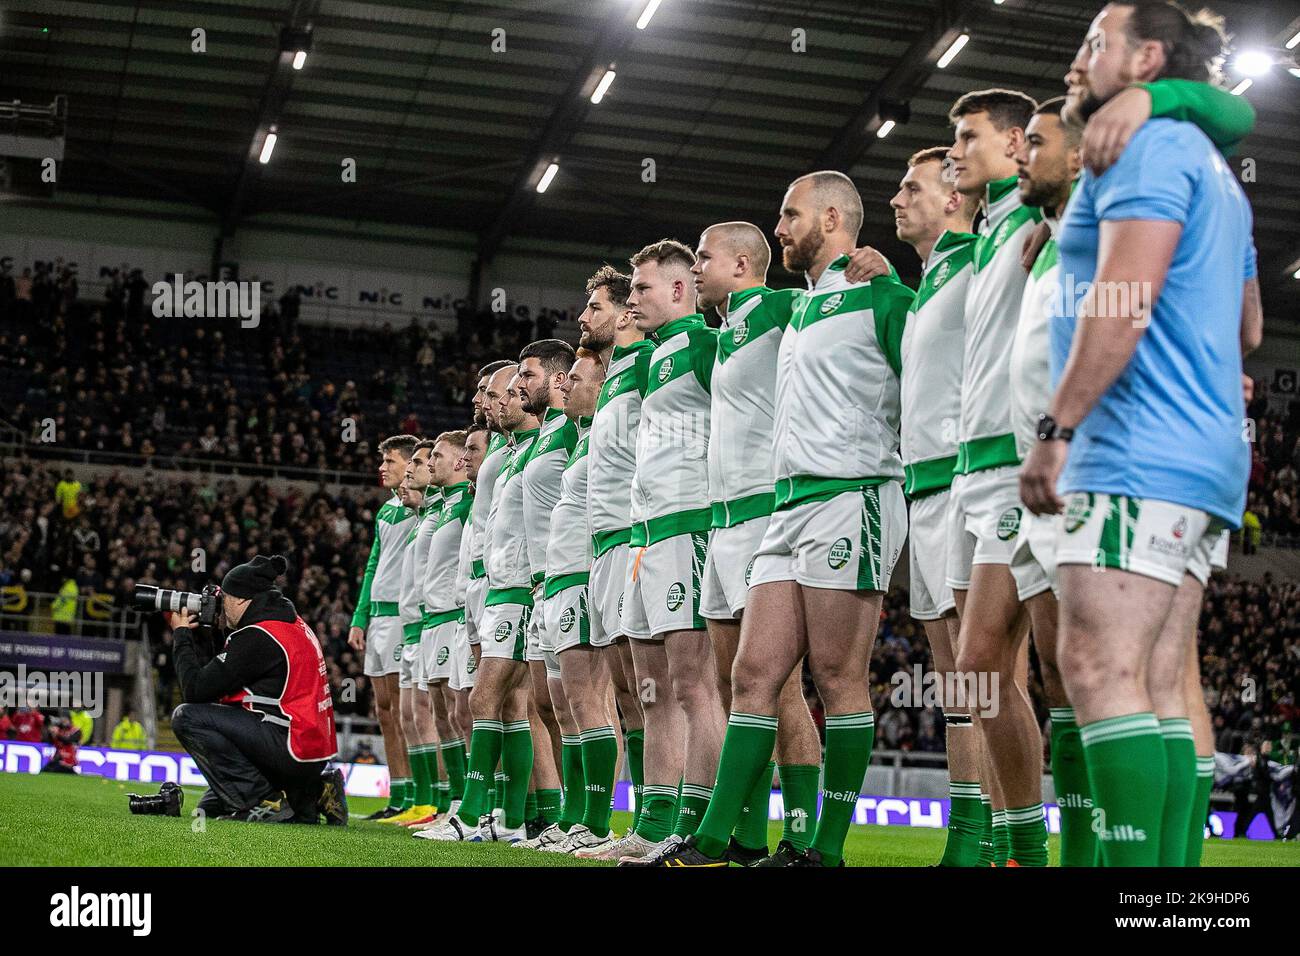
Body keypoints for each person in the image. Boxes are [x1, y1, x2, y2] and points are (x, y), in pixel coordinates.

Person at [1020, 0, 1257, 866]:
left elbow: (1125, 300)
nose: (1077, 60)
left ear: (1148, 56)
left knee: (1096, 670)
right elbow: (1249, 326)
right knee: (1156, 682)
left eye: (1095, 42)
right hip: (1199, 453)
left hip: (1135, 445)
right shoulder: (1207, 159)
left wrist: (1057, 427)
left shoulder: (1145, 145)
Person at [655, 171, 912, 867]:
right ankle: (716, 840)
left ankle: (823, 849)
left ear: (831, 218)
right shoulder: (796, 310)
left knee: (836, 677)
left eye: (790, 215)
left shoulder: (882, 297)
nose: (780, 228)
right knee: (753, 673)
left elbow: (925, 388)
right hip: (788, 505)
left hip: (851, 495)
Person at [690, 220, 822, 865]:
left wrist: (871, 269)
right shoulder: (720, 335)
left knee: (779, 687)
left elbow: (827, 302)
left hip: (765, 517)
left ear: (742, 263)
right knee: (728, 684)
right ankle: (745, 834)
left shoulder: (777, 306)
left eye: (703, 258)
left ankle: (801, 834)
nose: (695, 268)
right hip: (718, 525)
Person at [170, 554, 346, 824]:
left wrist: (181, 635)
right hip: (308, 749)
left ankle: (261, 803)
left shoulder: (258, 636)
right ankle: (315, 792)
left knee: (186, 716)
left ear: (241, 599)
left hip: (287, 744)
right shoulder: (290, 622)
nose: (221, 604)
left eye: (225, 598)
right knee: (210, 806)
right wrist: (219, 631)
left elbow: (195, 690)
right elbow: (234, 674)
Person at [347, 435, 420, 820]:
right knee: (385, 711)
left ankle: (418, 795)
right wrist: (360, 617)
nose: (382, 467)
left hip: (401, 616)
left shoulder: (419, 509)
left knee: (406, 709)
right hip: (377, 617)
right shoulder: (386, 512)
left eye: (390, 461)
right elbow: (373, 566)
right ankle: (399, 793)